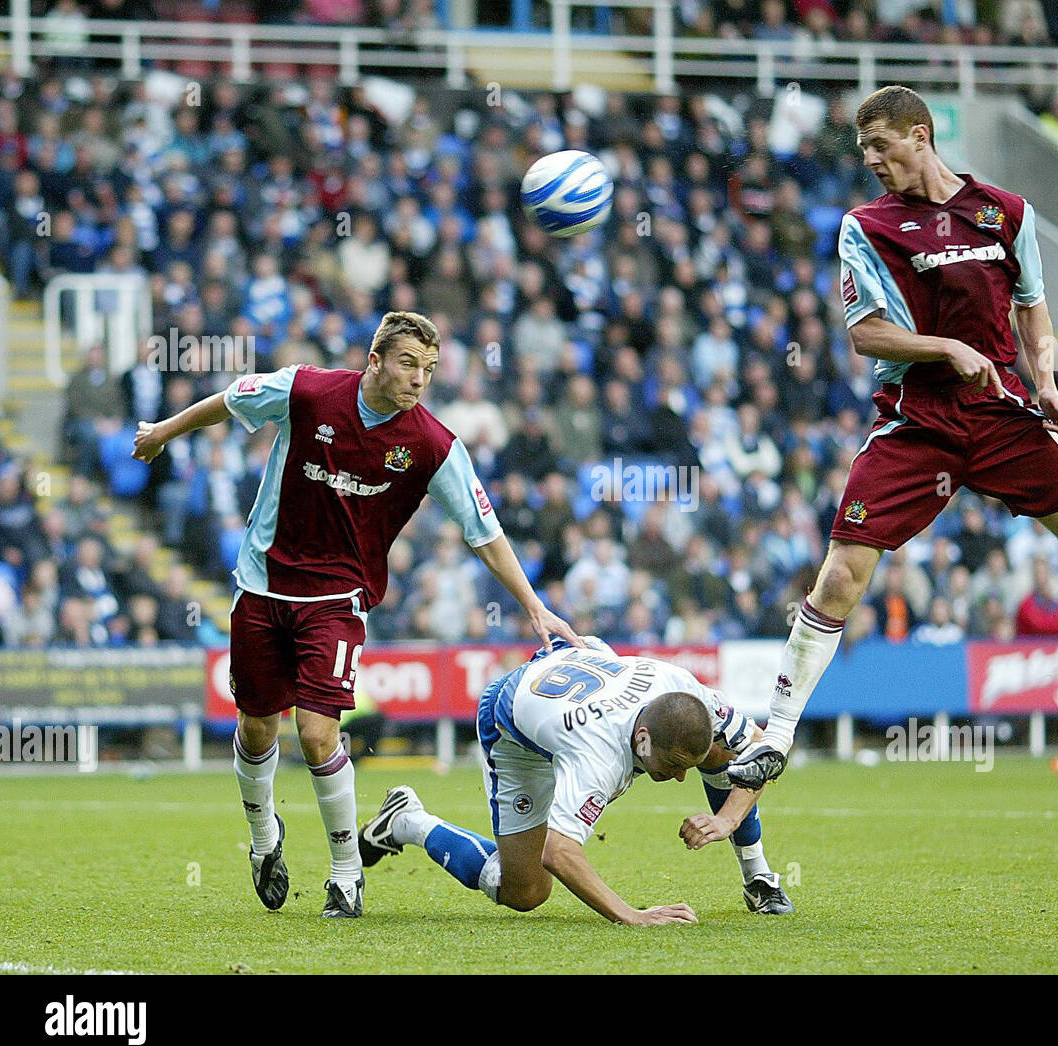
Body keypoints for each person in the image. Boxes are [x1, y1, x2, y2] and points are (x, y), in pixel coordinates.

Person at [727, 86, 1058, 790]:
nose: (873, 160)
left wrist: (1048, 381)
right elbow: (864, 334)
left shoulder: (1005, 213)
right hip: (918, 418)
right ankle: (778, 732)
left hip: (1001, 411)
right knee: (844, 571)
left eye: (881, 145)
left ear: (921, 135)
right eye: (864, 151)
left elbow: (1033, 308)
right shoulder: (867, 225)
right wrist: (944, 347)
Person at [131, 311, 582, 918]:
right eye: (407, 364)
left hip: (338, 599)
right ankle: (265, 839)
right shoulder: (307, 390)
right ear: (373, 361)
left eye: (429, 369)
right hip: (263, 584)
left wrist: (534, 605)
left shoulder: (432, 445)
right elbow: (227, 400)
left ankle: (346, 874)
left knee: (317, 734)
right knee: (258, 727)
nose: (419, 380)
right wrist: (163, 430)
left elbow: (484, 531)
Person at [357, 637, 794, 923]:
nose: (681, 778)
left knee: (722, 750)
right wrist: (631, 915)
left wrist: (728, 820)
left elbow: (762, 750)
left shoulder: (685, 689)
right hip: (514, 728)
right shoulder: (598, 756)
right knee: (525, 892)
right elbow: (558, 850)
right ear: (641, 741)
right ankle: (408, 820)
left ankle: (758, 876)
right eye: (672, 765)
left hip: (576, 674)